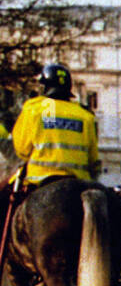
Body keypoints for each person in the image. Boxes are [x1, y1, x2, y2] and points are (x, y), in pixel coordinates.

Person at [3, 63, 100, 260]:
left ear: (44, 87)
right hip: (80, 182)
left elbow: (21, 149)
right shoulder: (85, 115)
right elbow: (93, 157)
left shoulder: (34, 109)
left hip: (39, 180)